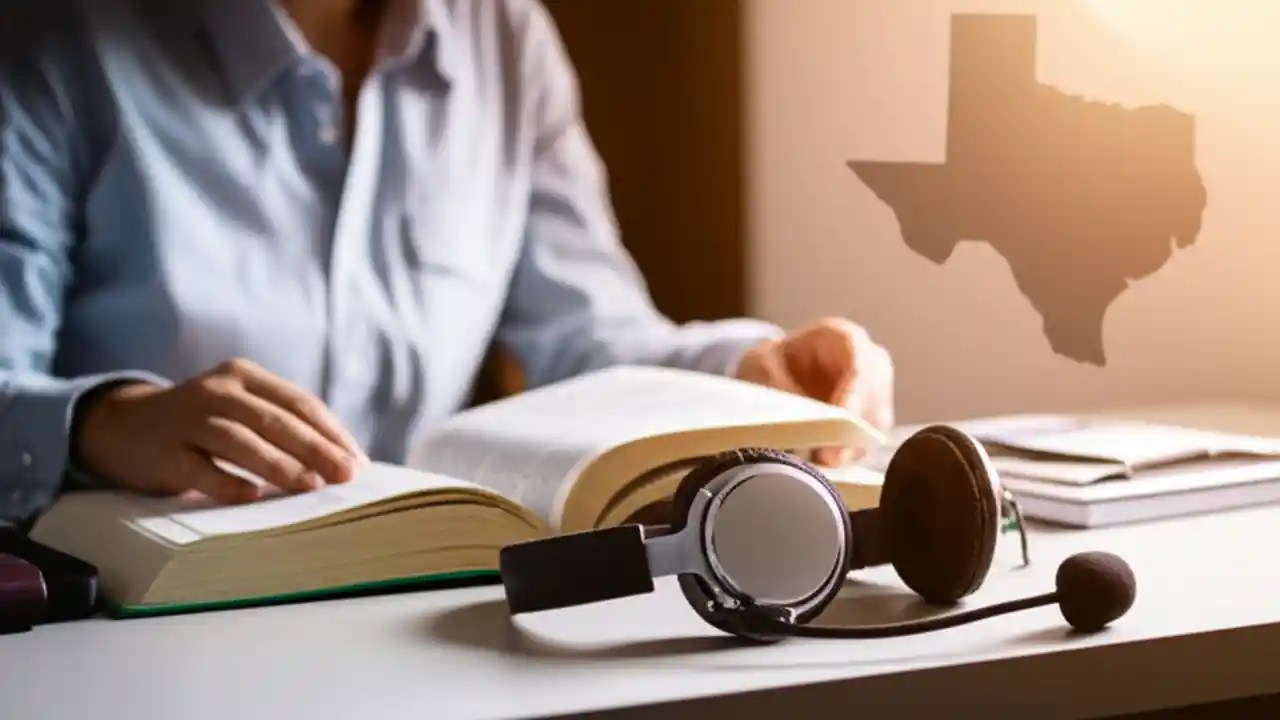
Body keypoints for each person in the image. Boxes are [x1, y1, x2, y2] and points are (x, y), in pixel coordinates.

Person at [0, 0, 895, 527]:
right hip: (133, 627)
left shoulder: (501, 34)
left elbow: (587, 338)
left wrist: (748, 377)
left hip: (415, 603)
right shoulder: (54, 40)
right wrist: (101, 424)